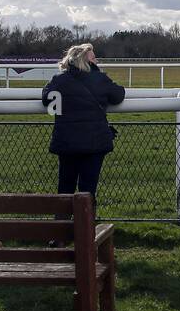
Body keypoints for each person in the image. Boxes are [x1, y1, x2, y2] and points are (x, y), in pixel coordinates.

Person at [41, 43, 125, 209]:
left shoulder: (59, 80)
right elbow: (118, 95)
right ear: (87, 61)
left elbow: (46, 98)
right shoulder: (99, 79)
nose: (97, 61)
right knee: (88, 191)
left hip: (67, 143)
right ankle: (86, 231)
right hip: (94, 144)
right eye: (94, 58)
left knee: (65, 188)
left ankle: (61, 229)